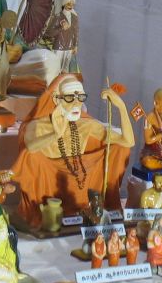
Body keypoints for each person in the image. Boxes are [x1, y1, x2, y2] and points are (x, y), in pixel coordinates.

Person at [14, 74, 134, 227]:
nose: (77, 103)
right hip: (52, 186)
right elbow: (30, 148)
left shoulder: (86, 125)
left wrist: (121, 106)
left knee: (119, 148)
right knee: (31, 157)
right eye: (70, 98)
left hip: (82, 178)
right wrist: (55, 134)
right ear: (57, 99)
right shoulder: (39, 125)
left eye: (81, 97)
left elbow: (128, 142)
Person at [41, 0, 79, 74]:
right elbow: (48, 33)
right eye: (69, 3)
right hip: (59, 47)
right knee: (55, 69)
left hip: (69, 47)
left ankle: (62, 84)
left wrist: (75, 45)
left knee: (65, 70)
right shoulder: (58, 16)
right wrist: (61, 28)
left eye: (72, 4)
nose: (70, 6)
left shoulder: (75, 17)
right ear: (64, 3)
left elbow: (76, 32)